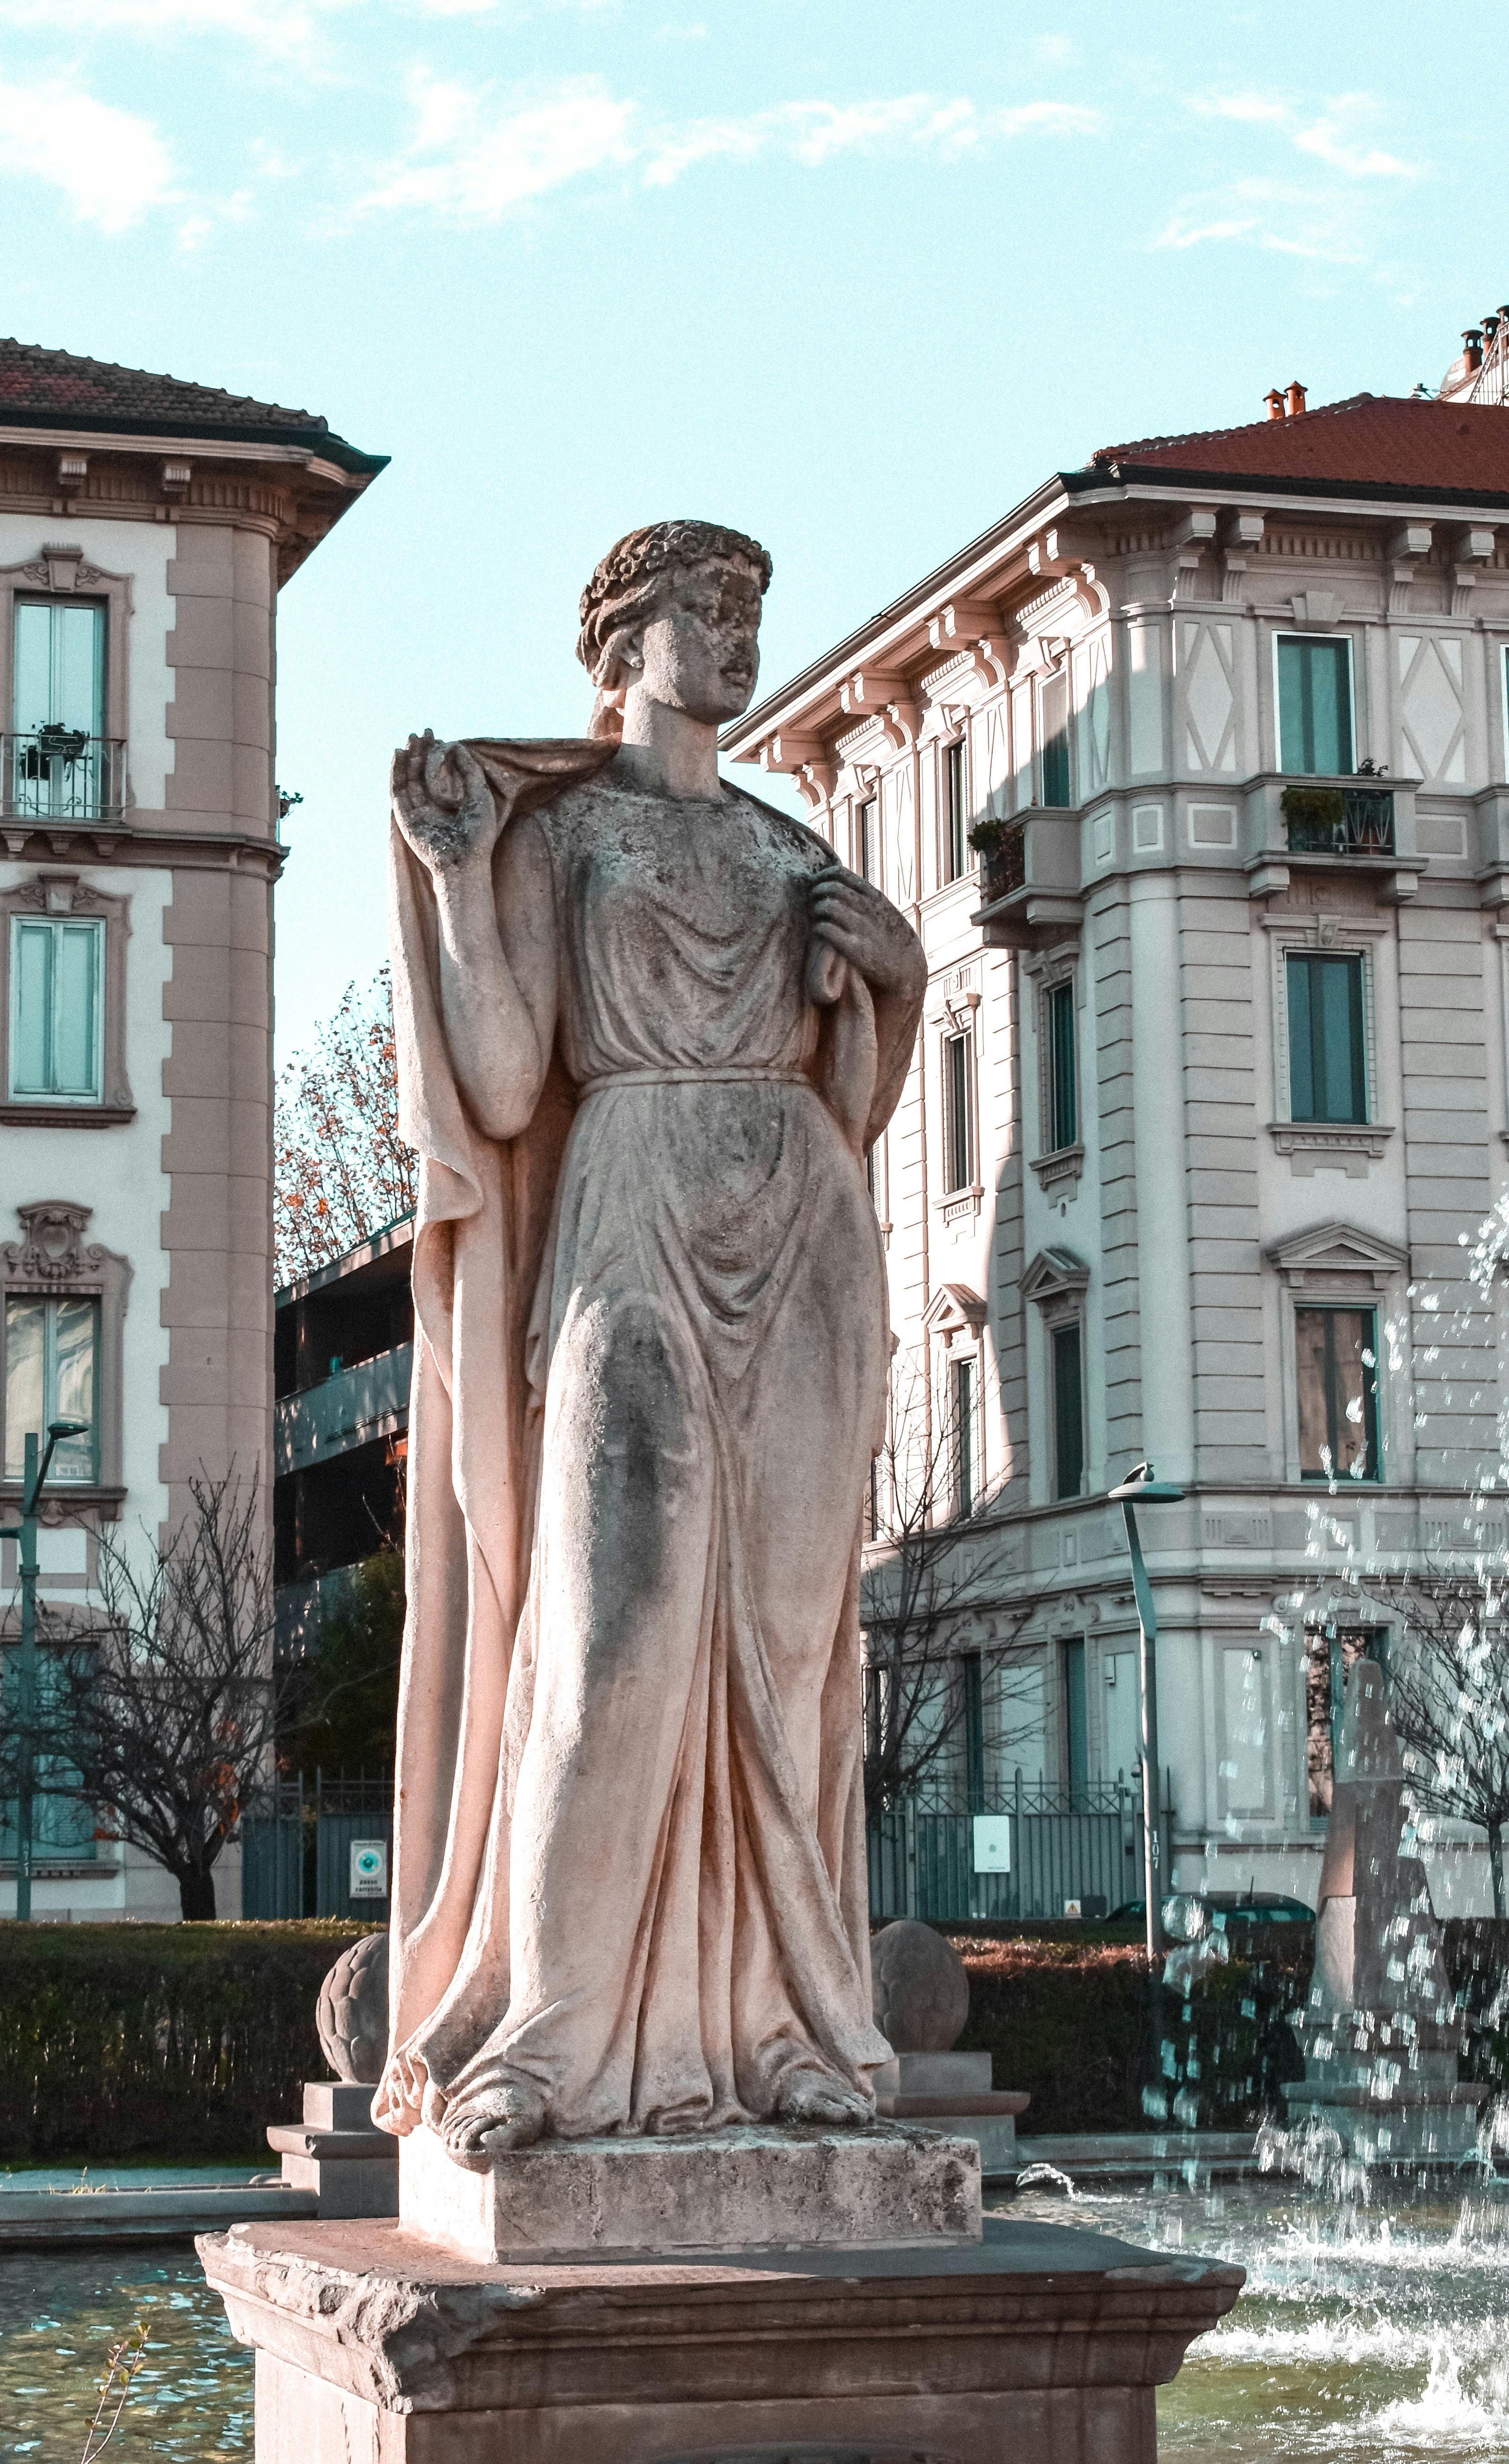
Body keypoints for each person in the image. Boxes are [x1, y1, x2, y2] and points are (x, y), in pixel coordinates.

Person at [376, 520, 926, 2158]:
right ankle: (547, 2036)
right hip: (626, 1206)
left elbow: (858, 1098)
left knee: (789, 1645)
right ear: (622, 637)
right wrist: (463, 875)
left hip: (801, 1227)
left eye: (752, 607)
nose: (739, 637)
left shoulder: (789, 850)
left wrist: (888, 984)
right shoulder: (560, 836)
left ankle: (793, 2032)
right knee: (612, 1631)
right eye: (708, 607)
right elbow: (494, 1083)